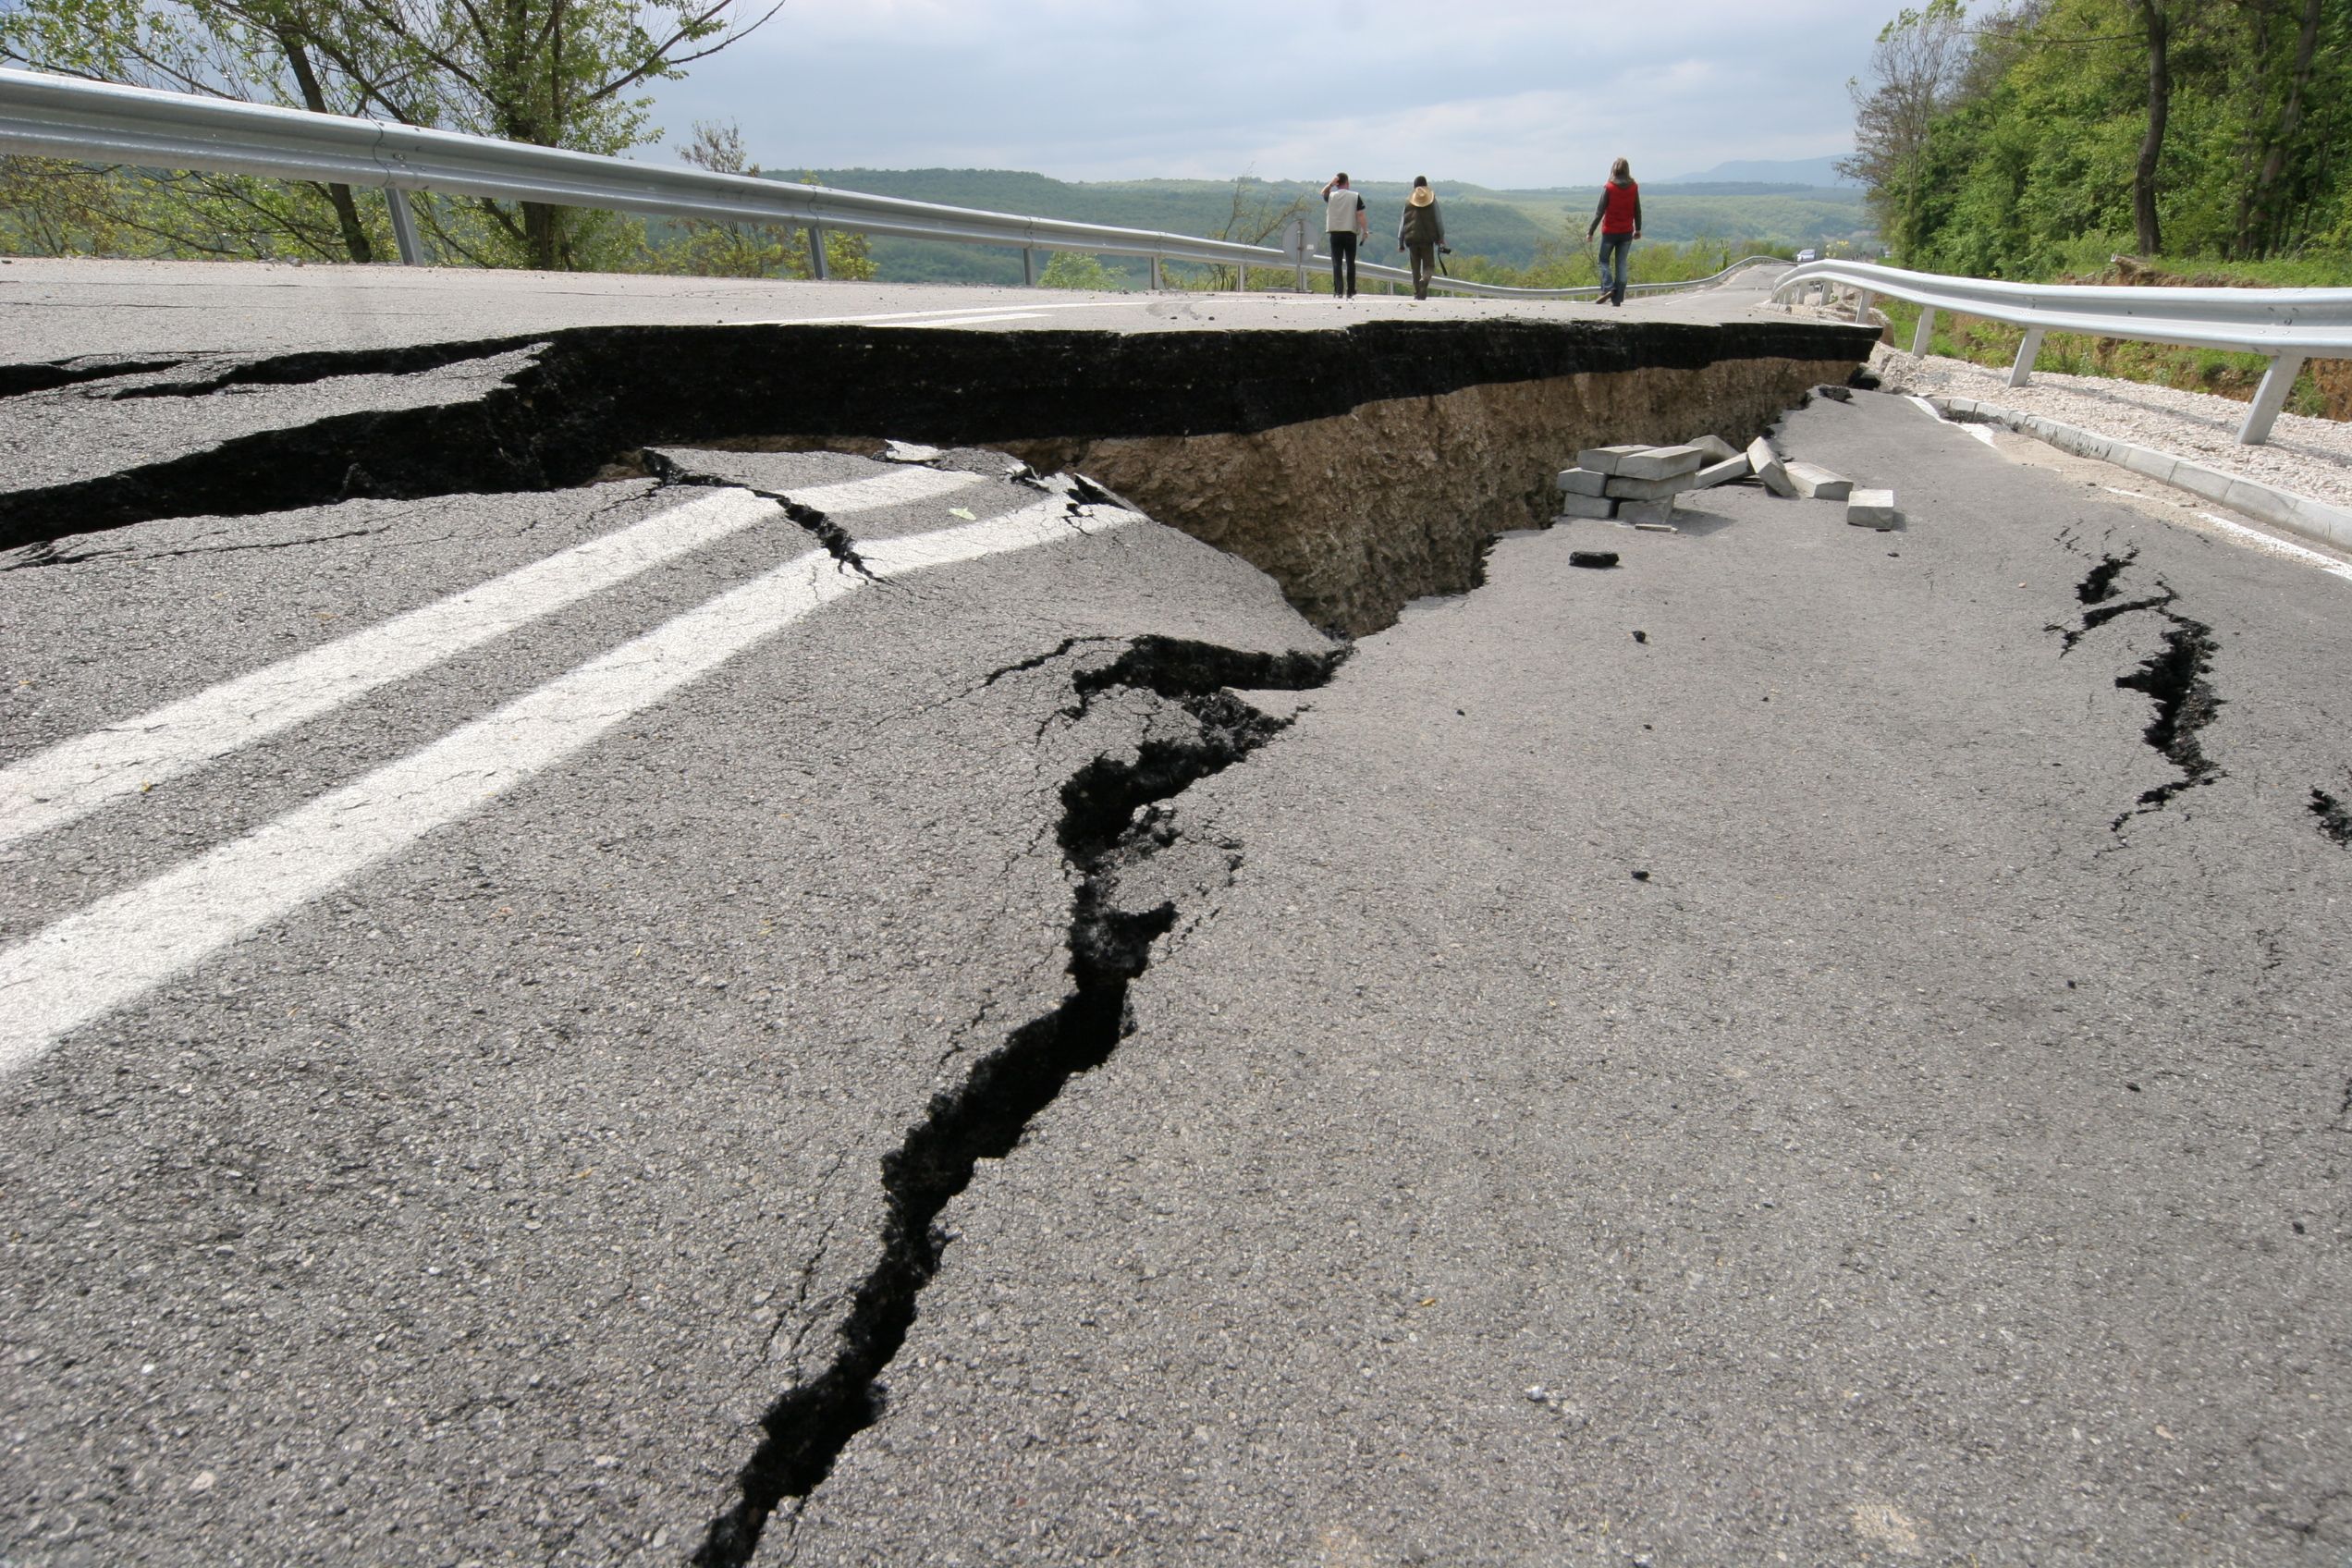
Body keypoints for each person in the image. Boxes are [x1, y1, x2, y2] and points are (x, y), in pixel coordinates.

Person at [1586, 157, 1641, 307]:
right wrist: (1638, 229)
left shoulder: (1609, 187)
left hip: (1610, 232)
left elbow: (1599, 212)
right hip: (1626, 232)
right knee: (1621, 263)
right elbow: (1637, 209)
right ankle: (1617, 299)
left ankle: (1609, 288)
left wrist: (1590, 232)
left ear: (1614, 170)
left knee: (1603, 261)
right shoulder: (1634, 187)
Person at [1320, 172, 1369, 299]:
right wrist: (1365, 230)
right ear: (1347, 183)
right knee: (1350, 262)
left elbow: (1323, 192)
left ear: (1337, 183)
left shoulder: (1331, 196)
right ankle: (1351, 290)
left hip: (1335, 233)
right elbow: (1360, 215)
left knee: (1336, 262)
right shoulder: (1355, 196)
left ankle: (1338, 290)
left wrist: (1331, 184)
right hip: (1350, 233)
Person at [1397, 176, 1445, 300]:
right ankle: (1424, 279)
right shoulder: (1432, 201)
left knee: (1415, 267)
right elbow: (1438, 220)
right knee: (1429, 266)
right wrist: (1441, 237)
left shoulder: (1408, 201)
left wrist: (1400, 241)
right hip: (1427, 239)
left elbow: (1402, 223)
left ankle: (1417, 292)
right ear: (1426, 186)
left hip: (1411, 239)